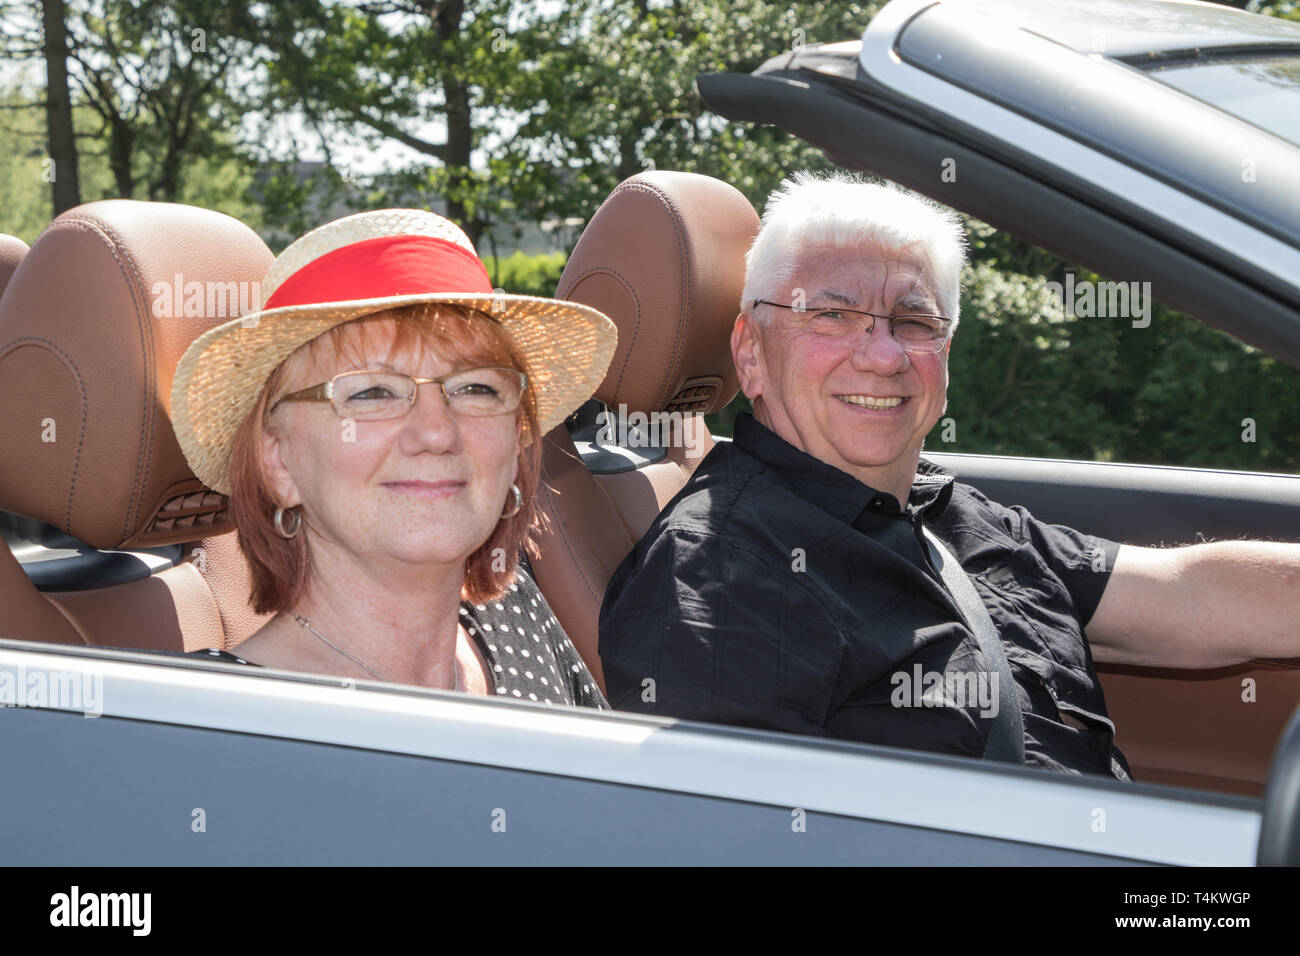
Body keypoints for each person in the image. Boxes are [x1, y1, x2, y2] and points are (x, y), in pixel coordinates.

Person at [598, 172, 1300, 776]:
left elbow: (1186, 596)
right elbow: (729, 836)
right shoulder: (719, 574)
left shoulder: (943, 513)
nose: (882, 355)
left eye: (913, 321)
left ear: (947, 356)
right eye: (834, 315)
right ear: (750, 352)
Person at [170, 208, 616, 707]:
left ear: (515, 446)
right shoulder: (207, 722)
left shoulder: (523, 619)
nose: (436, 432)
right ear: (279, 461)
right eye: (371, 392)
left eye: (476, 388)